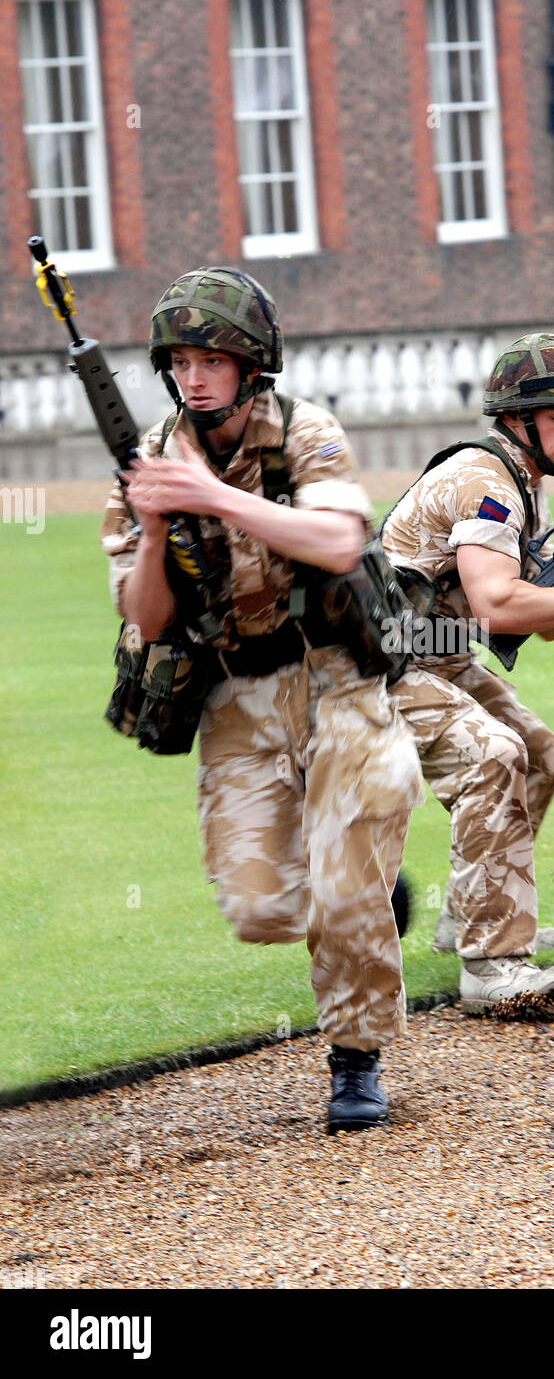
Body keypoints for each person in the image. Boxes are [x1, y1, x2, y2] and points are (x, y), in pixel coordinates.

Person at [100, 266, 425, 1134]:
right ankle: (372, 900)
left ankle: (355, 1060)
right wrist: (159, 524)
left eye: (213, 358)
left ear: (252, 365)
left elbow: (338, 536)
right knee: (256, 908)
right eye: (181, 360)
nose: (194, 376)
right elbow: (146, 616)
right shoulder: (151, 460)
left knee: (344, 883)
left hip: (336, 680)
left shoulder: (303, 432)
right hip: (238, 696)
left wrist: (210, 494)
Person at [381, 332, 554, 1014]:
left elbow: (539, 620)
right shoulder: (486, 482)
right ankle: (492, 966)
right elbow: (497, 603)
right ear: (516, 420)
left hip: (435, 656)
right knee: (493, 752)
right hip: (374, 665)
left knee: (538, 753)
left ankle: (472, 915)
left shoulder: (520, 484)